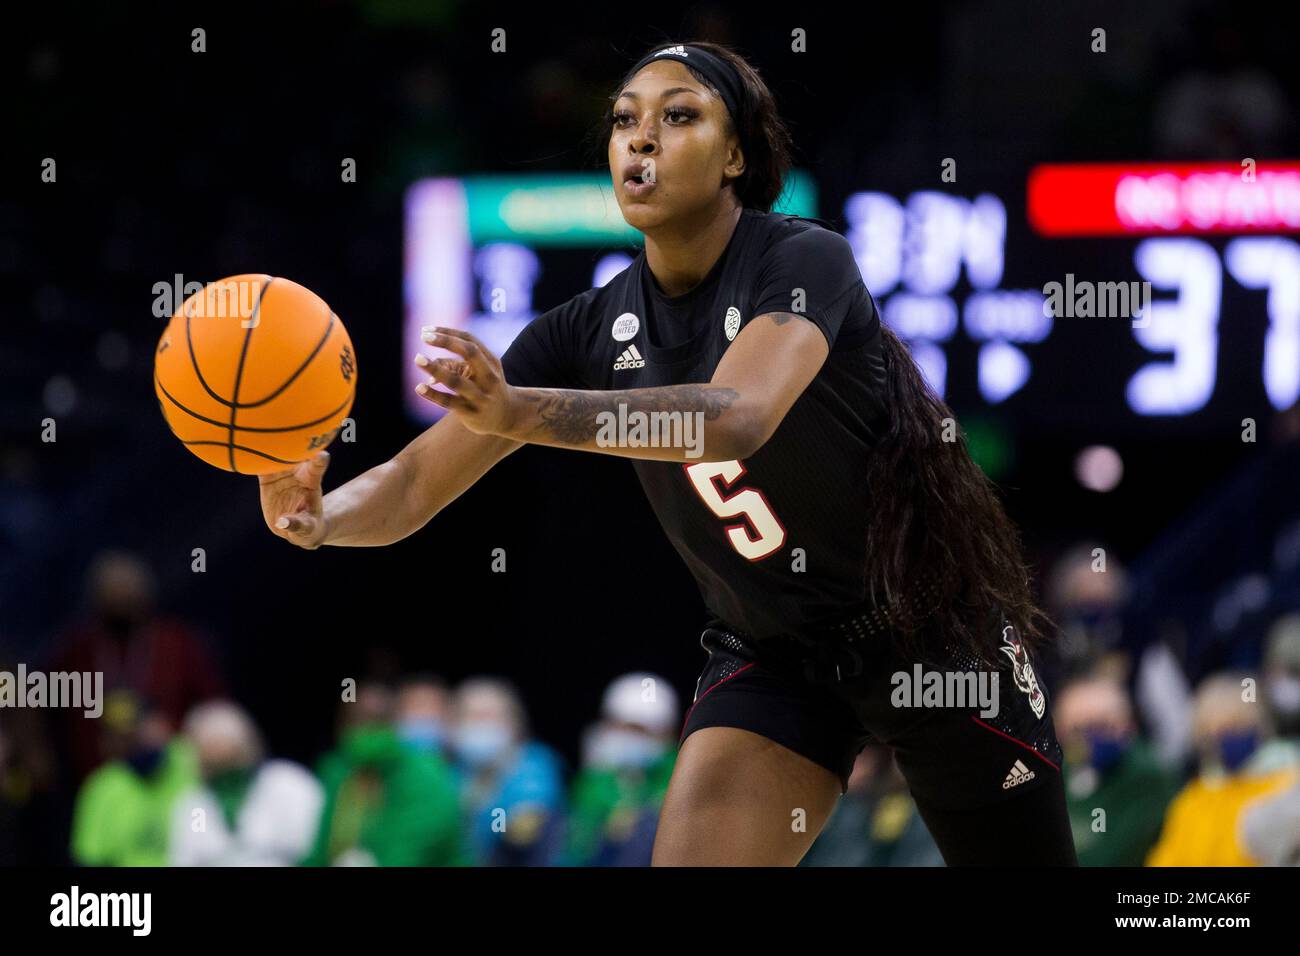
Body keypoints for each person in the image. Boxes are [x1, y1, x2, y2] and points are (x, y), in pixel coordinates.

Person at [258, 40, 1074, 865]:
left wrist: (521, 411)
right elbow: (407, 488)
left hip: (925, 630)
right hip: (776, 656)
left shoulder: (802, 259)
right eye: (623, 121)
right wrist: (319, 517)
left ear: (736, 155)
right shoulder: (582, 328)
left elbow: (738, 417)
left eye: (678, 115)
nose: (640, 138)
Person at [1147, 672, 1298, 866]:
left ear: (1259, 726)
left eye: (1236, 726)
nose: (1227, 738)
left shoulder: (1288, 786)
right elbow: (1166, 859)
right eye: (1217, 732)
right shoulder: (1194, 798)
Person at [169, 700, 324, 866]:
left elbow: (315, 845)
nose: (219, 755)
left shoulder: (287, 784)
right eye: (209, 747)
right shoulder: (196, 806)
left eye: (226, 744)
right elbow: (190, 856)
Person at [1054, 673, 1180, 866]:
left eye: (1103, 724)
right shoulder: (1062, 771)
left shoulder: (1146, 775)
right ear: (1062, 732)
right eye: (1080, 728)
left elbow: (1118, 856)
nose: (1092, 736)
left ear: (1128, 724)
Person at [563, 672, 679, 866]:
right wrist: (604, 832)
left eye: (639, 730)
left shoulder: (678, 774)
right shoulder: (594, 780)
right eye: (622, 727)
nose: (629, 737)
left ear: (664, 733)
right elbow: (574, 847)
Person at [449, 678, 565, 866]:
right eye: (472, 716)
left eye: (489, 716)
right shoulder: (450, 773)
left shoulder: (534, 769)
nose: (480, 725)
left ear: (513, 723)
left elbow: (505, 824)